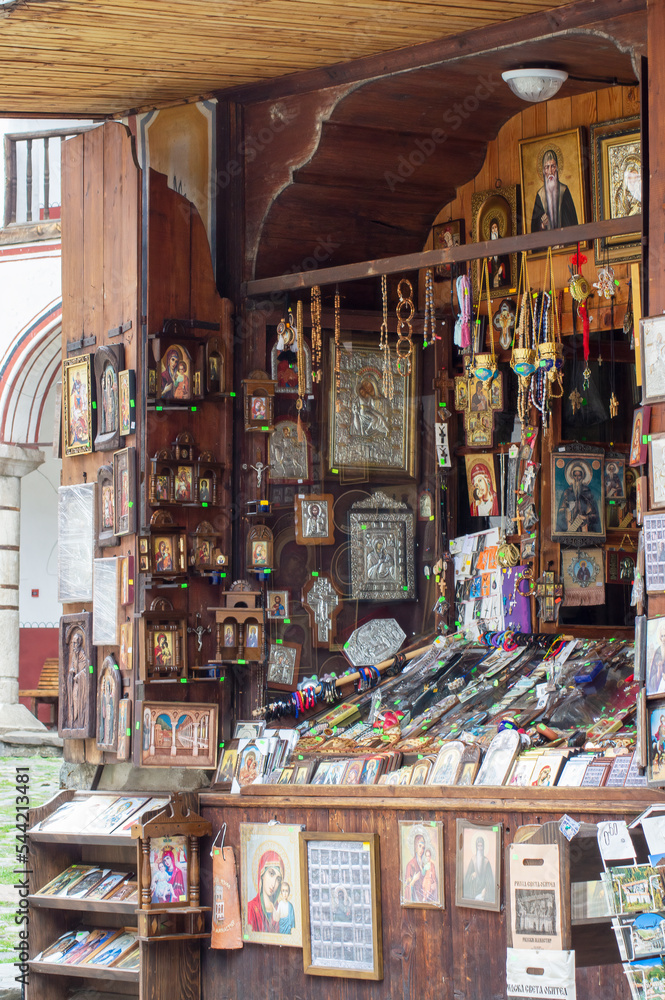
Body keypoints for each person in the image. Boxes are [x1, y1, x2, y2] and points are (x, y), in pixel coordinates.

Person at [531, 148, 579, 232]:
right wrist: (542, 225)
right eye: (547, 167)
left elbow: (572, 223)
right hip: (547, 242)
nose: (550, 171)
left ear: (556, 168)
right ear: (543, 170)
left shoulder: (564, 191)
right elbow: (534, 229)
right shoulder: (540, 195)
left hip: (563, 242)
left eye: (552, 166)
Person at [555, 461, 601, 535]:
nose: (577, 478)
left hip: (584, 527)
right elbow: (560, 511)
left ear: (582, 476)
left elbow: (595, 515)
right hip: (570, 526)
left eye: (579, 476)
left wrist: (585, 517)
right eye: (575, 476)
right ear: (572, 476)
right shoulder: (567, 492)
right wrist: (567, 511)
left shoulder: (588, 492)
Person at [247, 850, 285, 933]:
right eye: (271, 874)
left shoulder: (281, 911)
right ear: (262, 874)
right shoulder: (251, 908)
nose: (273, 884)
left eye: (278, 879)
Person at [463, 836, 495, 903]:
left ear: (483, 847)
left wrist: (485, 889)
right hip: (473, 890)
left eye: (481, 846)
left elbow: (490, 881)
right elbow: (467, 878)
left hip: (483, 892)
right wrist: (472, 876)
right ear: (476, 847)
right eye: (478, 846)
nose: (480, 848)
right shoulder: (473, 860)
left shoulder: (486, 862)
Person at [67, 630, 88, 730]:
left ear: (79, 643)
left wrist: (79, 675)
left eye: (75, 642)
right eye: (72, 643)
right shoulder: (74, 654)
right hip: (75, 682)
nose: (73, 644)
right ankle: (74, 720)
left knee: (78, 698)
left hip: (80, 683)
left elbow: (86, 669)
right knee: (74, 698)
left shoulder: (82, 654)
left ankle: (78, 719)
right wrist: (72, 670)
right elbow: (72, 666)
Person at [487, 217, 511, 289]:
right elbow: (485, 262)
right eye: (492, 228)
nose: (494, 230)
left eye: (495, 227)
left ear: (498, 228)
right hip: (493, 271)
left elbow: (506, 259)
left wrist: (502, 266)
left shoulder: (502, 241)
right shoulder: (488, 244)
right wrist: (489, 260)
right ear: (490, 230)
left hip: (500, 270)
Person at [404, 833, 426, 902]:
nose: (421, 850)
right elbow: (406, 890)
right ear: (415, 847)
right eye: (420, 846)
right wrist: (413, 880)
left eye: (423, 847)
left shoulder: (423, 865)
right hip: (415, 901)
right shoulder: (410, 865)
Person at [649, 623, 665, 694]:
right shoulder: (658, 652)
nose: (664, 638)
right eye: (662, 636)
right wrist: (659, 673)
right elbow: (653, 675)